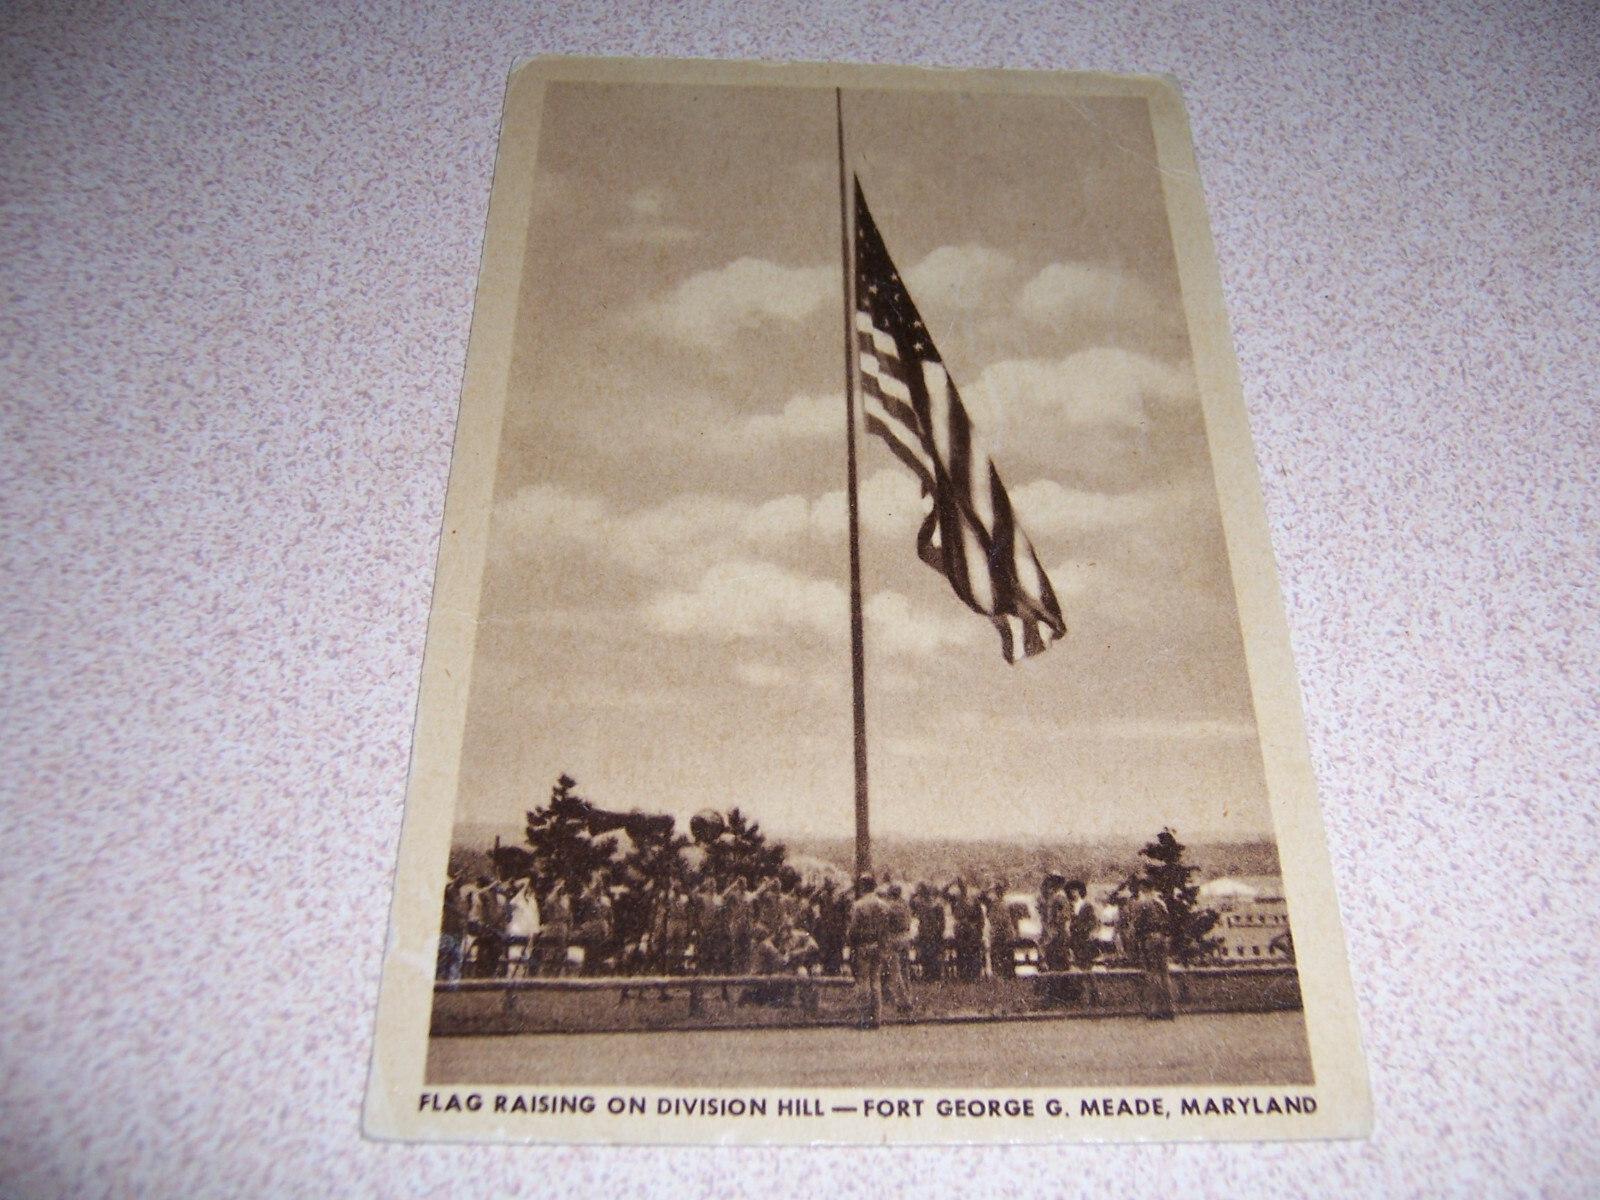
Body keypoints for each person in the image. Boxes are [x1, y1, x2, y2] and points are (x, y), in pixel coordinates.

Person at [1126, 879, 1175, 1019]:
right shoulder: (1160, 902)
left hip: (1150, 938)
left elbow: (1136, 924)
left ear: (1143, 888)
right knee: (1164, 973)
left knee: (1152, 972)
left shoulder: (1143, 903)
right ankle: (1169, 1008)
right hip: (1163, 938)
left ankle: (1155, 1008)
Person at [846, 875, 890, 1028]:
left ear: (864, 886)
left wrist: (851, 942)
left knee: (863, 981)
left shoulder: (859, 905)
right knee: (875, 981)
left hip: (863, 944)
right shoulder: (883, 905)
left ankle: (864, 1017)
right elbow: (886, 928)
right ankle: (877, 1017)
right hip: (877, 944)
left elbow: (853, 928)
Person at [882, 883, 914, 1013]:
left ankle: (902, 1000)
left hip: (893, 937)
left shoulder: (889, 906)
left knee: (895, 971)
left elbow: (885, 923)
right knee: (905, 970)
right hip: (905, 937)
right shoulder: (905, 905)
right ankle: (909, 996)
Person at [1065, 880, 1099, 970]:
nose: (1073, 893)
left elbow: (1093, 921)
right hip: (1074, 937)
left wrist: (1090, 930)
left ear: (1080, 891)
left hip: (1085, 937)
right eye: (1071, 891)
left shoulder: (1086, 906)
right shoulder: (1069, 906)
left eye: (1075, 890)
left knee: (1086, 960)